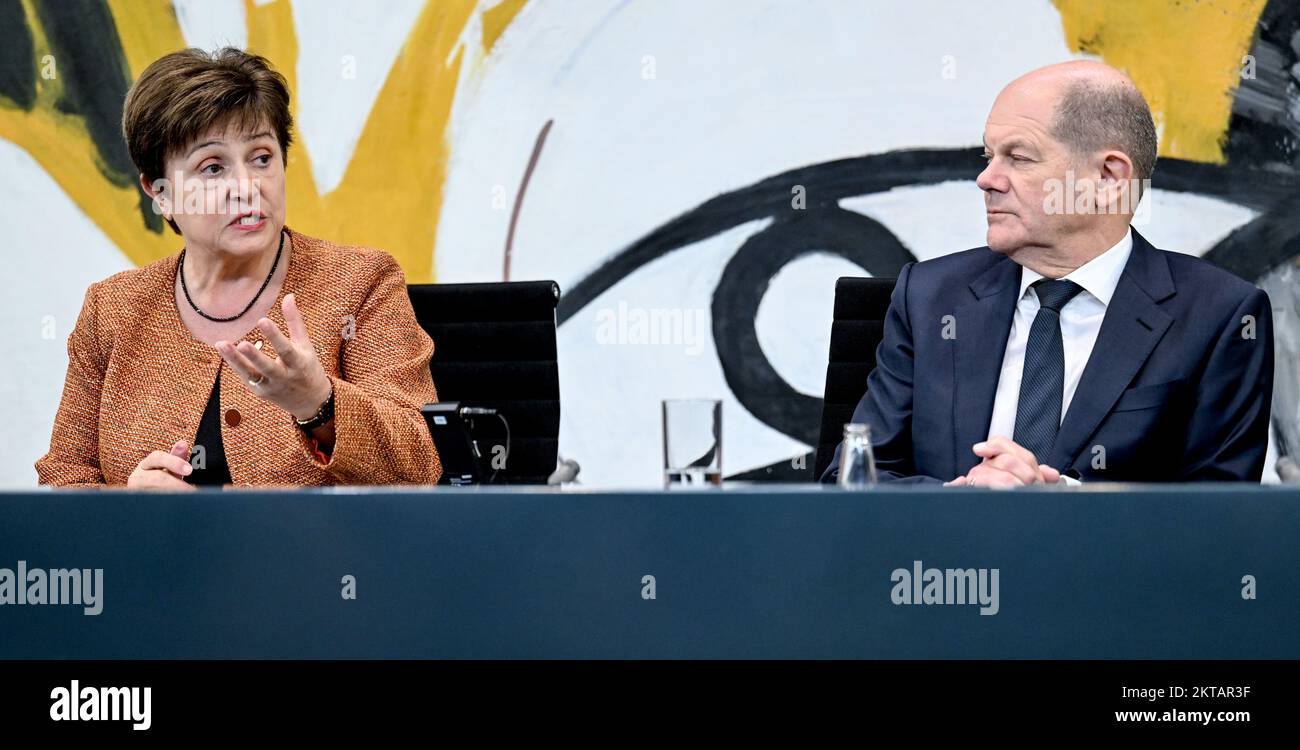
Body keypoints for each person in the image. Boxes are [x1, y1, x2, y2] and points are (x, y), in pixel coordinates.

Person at [822, 61, 1273, 486]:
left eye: (1018, 157)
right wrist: (965, 499)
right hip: (940, 564)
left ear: (1109, 177)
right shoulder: (930, 297)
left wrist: (1060, 502)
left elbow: (1216, 519)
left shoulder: (1220, 316)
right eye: (988, 156)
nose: (986, 179)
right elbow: (855, 478)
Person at [36, 48, 442, 488]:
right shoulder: (113, 309)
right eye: (213, 167)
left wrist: (319, 404)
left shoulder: (360, 283)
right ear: (161, 194)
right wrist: (129, 510)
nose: (247, 187)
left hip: (314, 556)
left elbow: (422, 464)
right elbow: (63, 482)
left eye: (262, 157)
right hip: (159, 558)